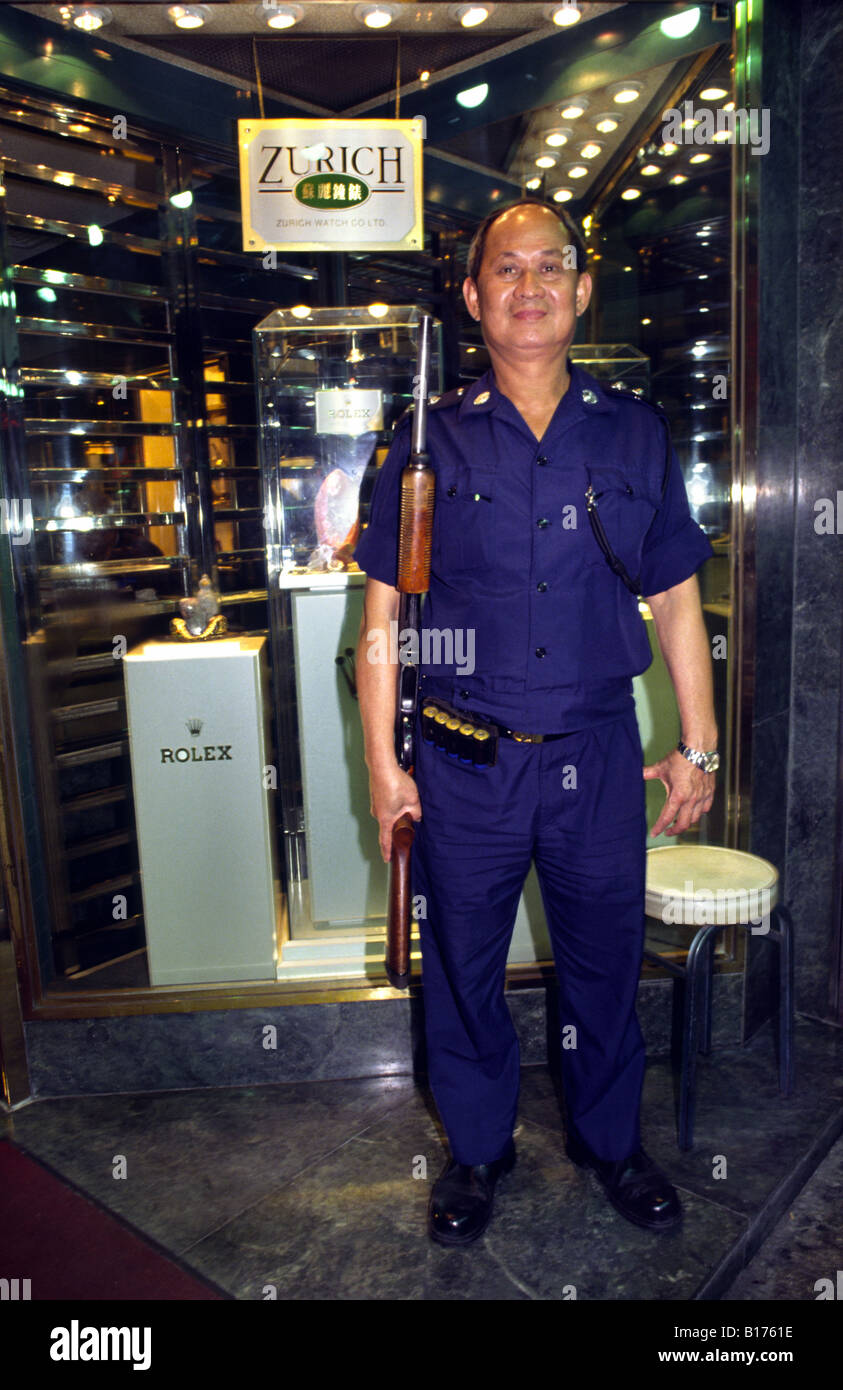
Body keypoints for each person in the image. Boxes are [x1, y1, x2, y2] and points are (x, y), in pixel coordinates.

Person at [354, 199, 718, 1247]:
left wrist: (698, 743)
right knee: (462, 965)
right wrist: (385, 766)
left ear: (582, 289)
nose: (529, 287)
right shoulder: (428, 442)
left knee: (604, 961)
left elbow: (680, 596)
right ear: (473, 297)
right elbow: (384, 614)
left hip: (600, 753)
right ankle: (477, 1148)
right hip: (466, 758)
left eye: (549, 267)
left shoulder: (634, 431)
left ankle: (612, 1140)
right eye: (505, 270)